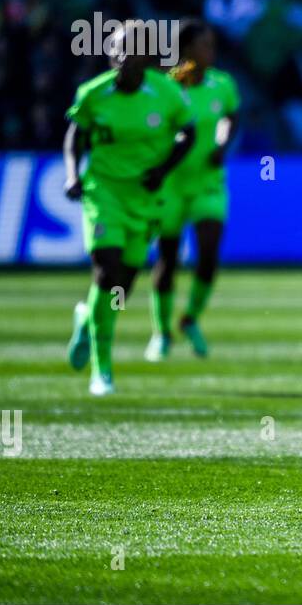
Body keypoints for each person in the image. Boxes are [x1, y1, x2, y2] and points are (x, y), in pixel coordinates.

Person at [63, 28, 196, 396]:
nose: (120, 58)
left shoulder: (166, 91)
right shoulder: (93, 93)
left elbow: (189, 132)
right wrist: (73, 174)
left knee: (122, 285)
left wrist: (163, 170)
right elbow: (75, 133)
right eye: (115, 51)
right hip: (103, 191)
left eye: (129, 52)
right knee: (107, 271)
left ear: (146, 59)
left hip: (145, 198)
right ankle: (102, 370)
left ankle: (86, 318)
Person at [146, 20, 239, 360]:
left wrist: (222, 142)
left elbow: (232, 116)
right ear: (185, 50)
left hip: (207, 182)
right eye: (204, 46)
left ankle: (189, 318)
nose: (210, 52)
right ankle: (161, 333)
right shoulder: (170, 85)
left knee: (209, 255)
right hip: (170, 183)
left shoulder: (222, 84)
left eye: (212, 45)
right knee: (167, 259)